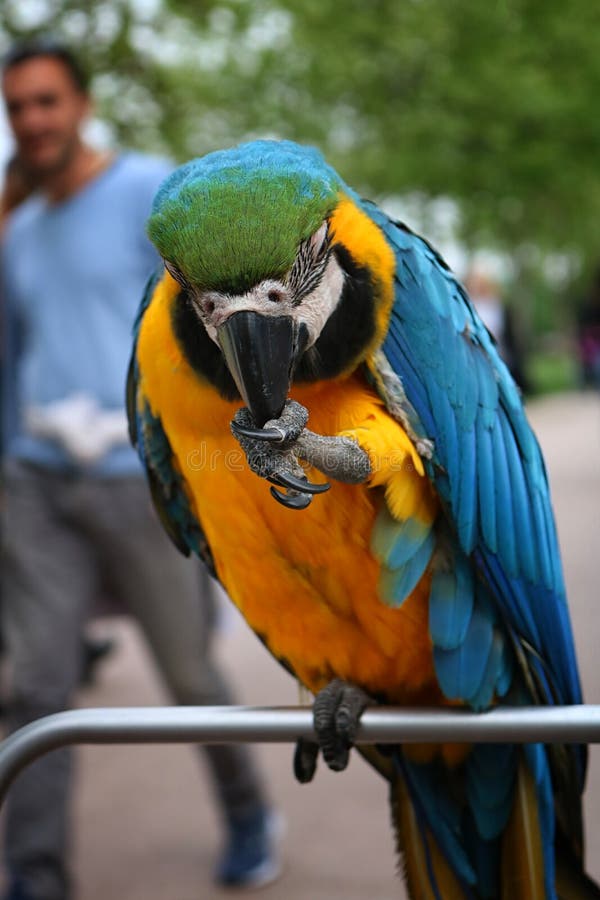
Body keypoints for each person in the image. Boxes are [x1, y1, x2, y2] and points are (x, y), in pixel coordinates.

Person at [0, 40, 279, 900]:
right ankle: (36, 874)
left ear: (82, 104)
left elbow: (216, 325)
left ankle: (247, 813)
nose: (32, 121)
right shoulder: (17, 225)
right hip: (37, 479)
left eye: (47, 102)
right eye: (16, 107)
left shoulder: (151, 195)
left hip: (142, 477)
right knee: (36, 685)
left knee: (189, 675)